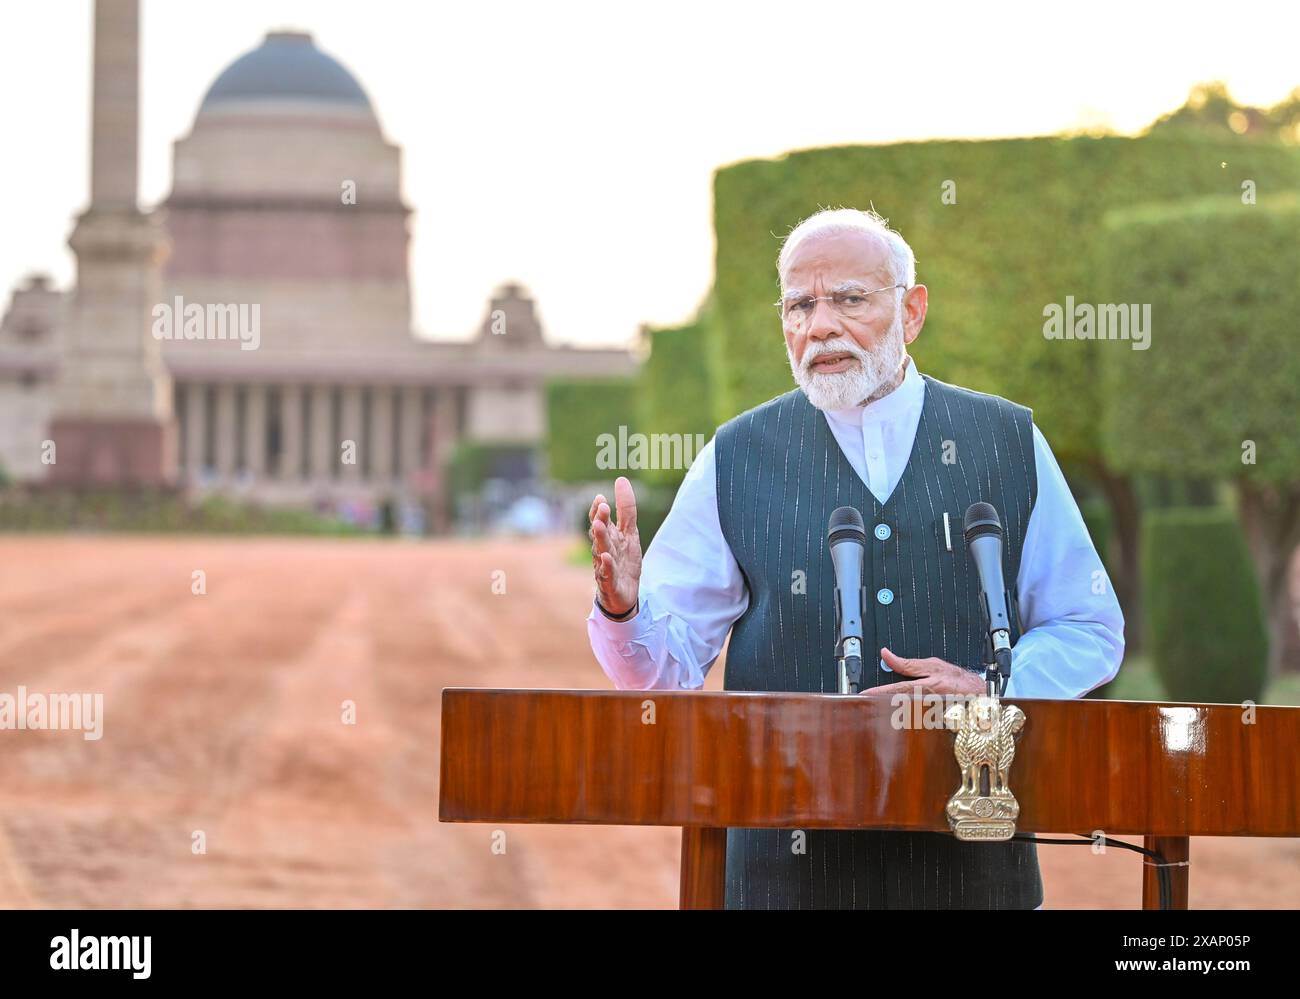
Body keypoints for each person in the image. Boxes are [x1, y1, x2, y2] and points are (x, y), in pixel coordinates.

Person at [585, 207, 1125, 910]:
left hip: (971, 868)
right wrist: (623, 609)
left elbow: (1090, 627)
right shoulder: (736, 456)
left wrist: (994, 685)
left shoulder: (1008, 441)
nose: (820, 326)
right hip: (782, 874)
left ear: (913, 310)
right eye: (799, 305)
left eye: (848, 299)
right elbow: (666, 667)